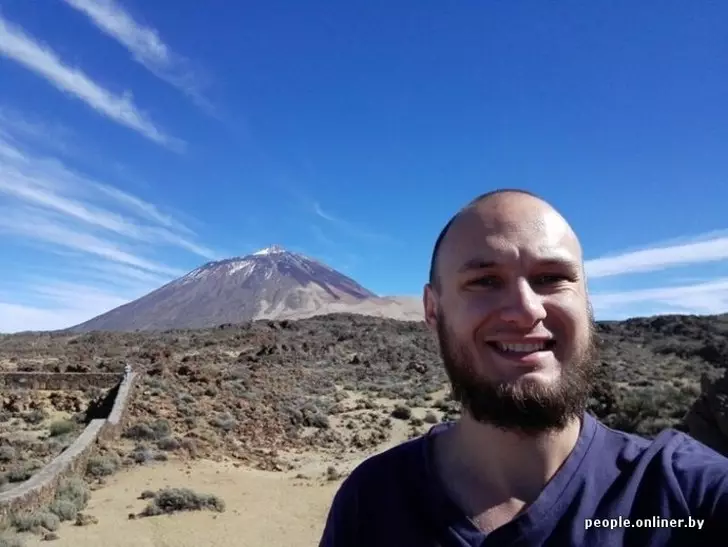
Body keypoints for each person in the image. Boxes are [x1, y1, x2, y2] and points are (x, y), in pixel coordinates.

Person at [318, 189, 728, 546]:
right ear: (432, 309)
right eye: (485, 281)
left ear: (587, 302)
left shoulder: (687, 495)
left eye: (551, 277)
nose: (526, 310)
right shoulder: (372, 500)